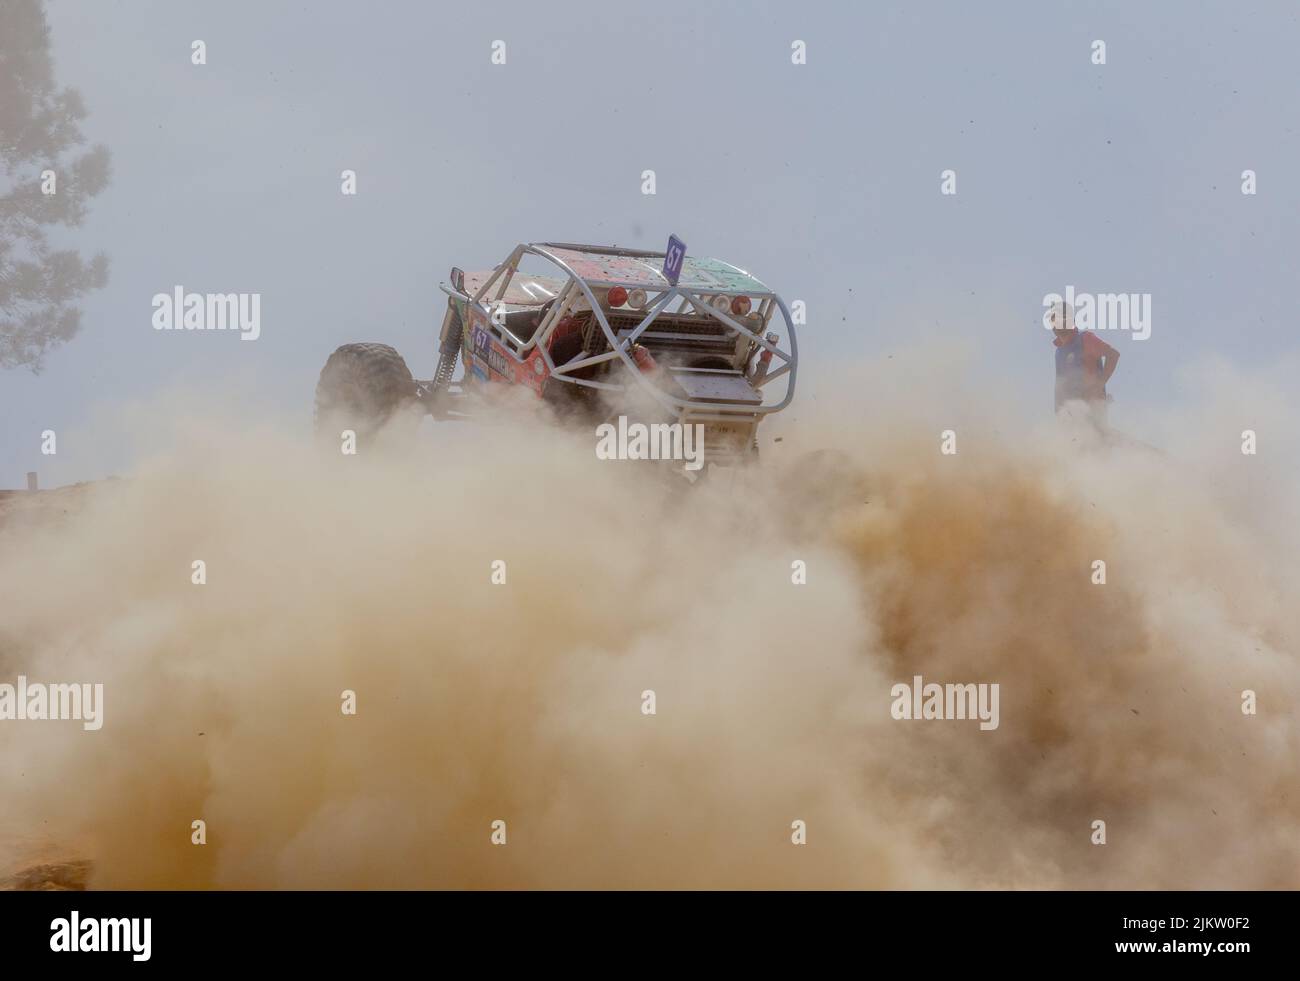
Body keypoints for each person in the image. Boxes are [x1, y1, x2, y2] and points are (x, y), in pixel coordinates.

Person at [1048, 301, 1119, 430]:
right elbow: (1060, 384)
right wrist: (1058, 413)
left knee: (1101, 442)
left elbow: (1113, 355)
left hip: (1092, 412)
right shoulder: (1059, 351)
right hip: (1070, 419)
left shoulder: (1085, 339)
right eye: (1054, 319)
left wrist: (1099, 384)